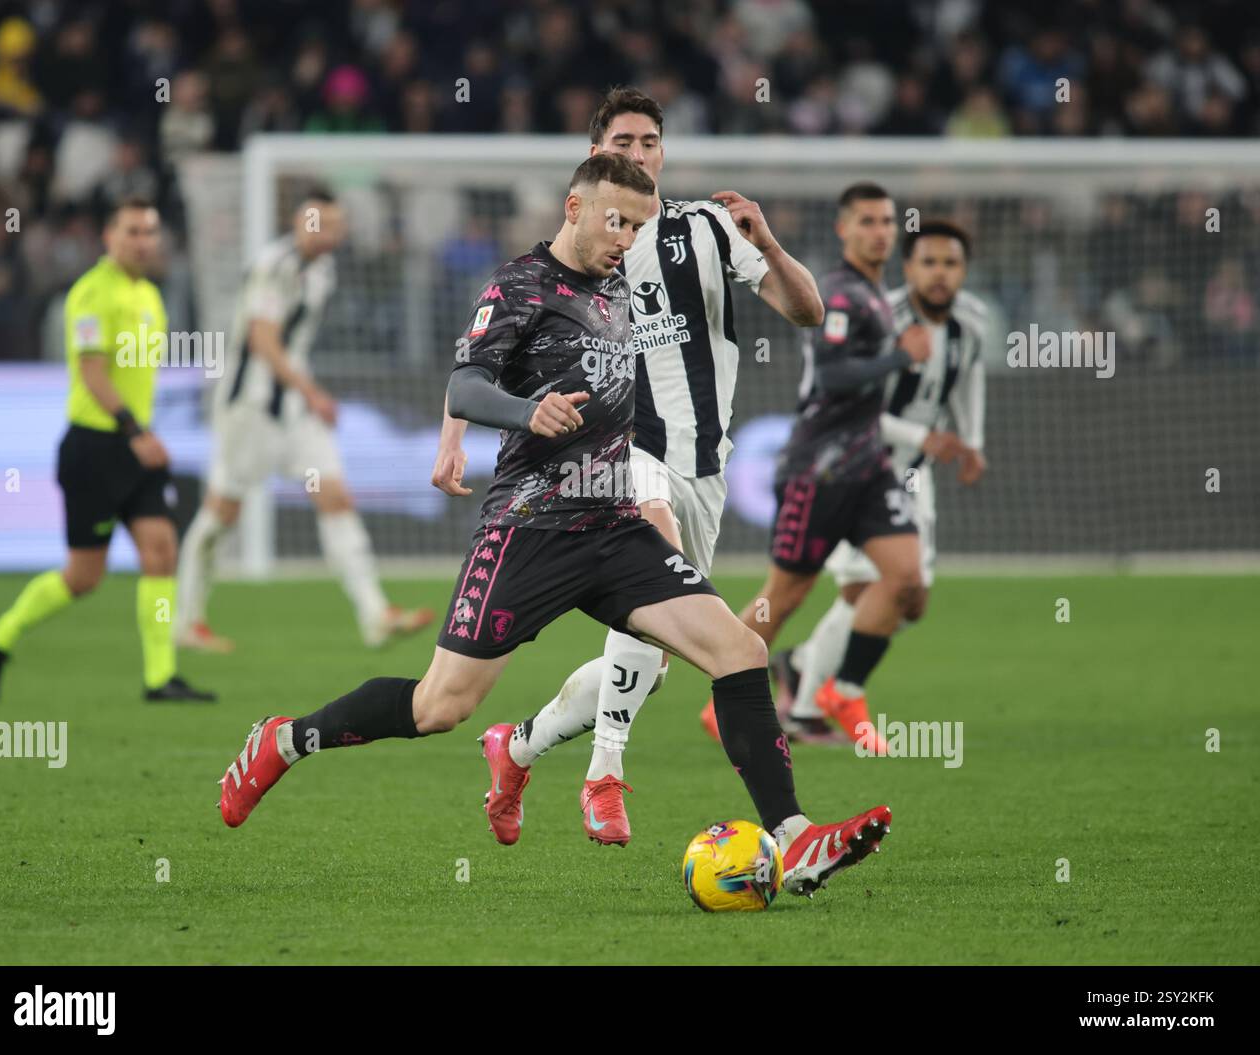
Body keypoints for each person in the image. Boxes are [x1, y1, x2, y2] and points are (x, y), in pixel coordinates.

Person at [216, 153, 891, 898]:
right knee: (439, 706)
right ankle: (285, 739)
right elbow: (466, 384)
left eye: (637, 225)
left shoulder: (621, 286)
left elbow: (789, 311)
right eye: (615, 221)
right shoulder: (520, 285)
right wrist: (524, 411)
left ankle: (794, 838)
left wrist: (757, 251)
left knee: (740, 650)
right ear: (574, 208)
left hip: (615, 524)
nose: (626, 238)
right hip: (529, 526)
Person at [433, 86, 824, 846]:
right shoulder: (580, 244)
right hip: (621, 455)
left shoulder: (708, 227)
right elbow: (491, 347)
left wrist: (770, 245)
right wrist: (453, 433)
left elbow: (807, 312)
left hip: (702, 460)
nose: (638, 154)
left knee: (654, 657)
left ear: (664, 152)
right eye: (623, 143)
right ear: (595, 156)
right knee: (656, 549)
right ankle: (605, 776)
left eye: (649, 142)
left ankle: (518, 746)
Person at [699, 182, 929, 752]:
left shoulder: (875, 295)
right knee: (784, 595)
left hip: (866, 465)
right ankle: (720, 700)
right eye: (867, 221)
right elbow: (832, 376)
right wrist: (901, 357)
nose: (880, 231)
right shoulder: (842, 294)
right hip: (818, 469)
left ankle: (842, 691)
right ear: (843, 229)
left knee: (905, 578)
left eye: (887, 221)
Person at [0, 197, 215, 703]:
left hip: (136, 445)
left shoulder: (149, 295)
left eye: (149, 232)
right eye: (132, 232)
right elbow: (92, 372)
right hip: (95, 449)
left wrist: (142, 433)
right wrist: (134, 430)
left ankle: (160, 677)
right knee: (84, 577)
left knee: (161, 551)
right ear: (109, 237)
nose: (143, 242)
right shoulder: (90, 293)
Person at [174, 189, 432, 652]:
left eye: (335, 225)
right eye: (319, 223)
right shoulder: (275, 265)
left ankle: (375, 614)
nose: (328, 233)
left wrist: (304, 394)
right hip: (251, 409)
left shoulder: (323, 272)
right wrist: (312, 391)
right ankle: (186, 619)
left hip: (294, 411)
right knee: (222, 513)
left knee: (335, 496)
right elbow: (263, 340)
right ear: (299, 222)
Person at [776, 220, 989, 742]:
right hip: (861, 470)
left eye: (951, 263)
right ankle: (810, 705)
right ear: (908, 268)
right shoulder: (882, 319)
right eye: (928, 262)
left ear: (964, 271)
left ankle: (802, 665)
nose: (939, 274)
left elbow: (968, 377)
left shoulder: (970, 324)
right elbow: (853, 406)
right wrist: (922, 435)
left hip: (914, 476)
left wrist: (972, 442)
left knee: (911, 600)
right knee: (864, 589)